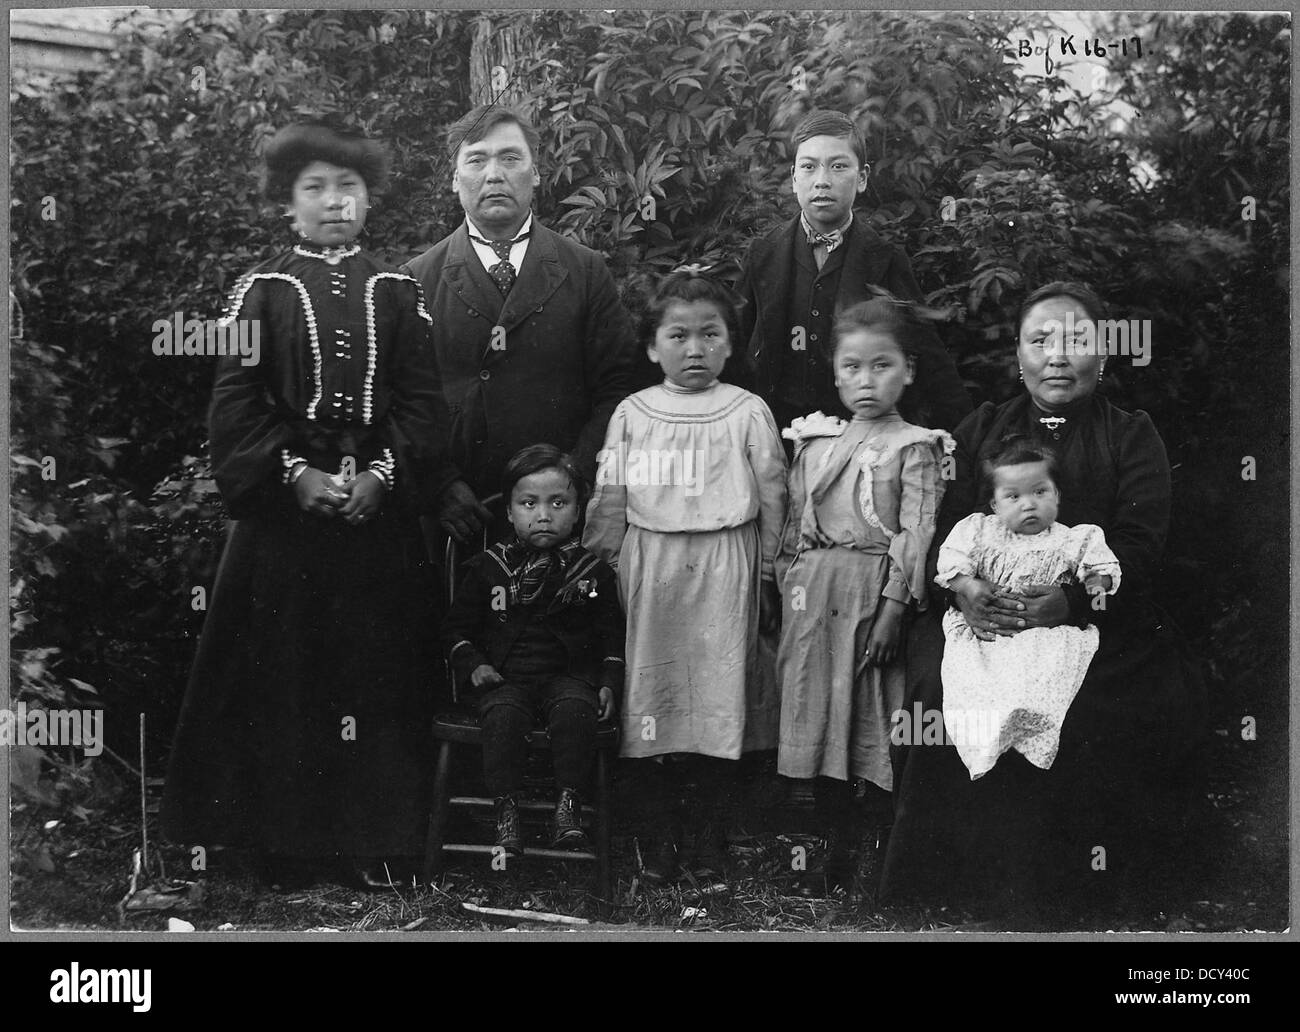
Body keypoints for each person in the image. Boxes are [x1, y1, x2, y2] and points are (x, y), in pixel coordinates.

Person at [161, 121, 459, 890]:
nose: (334, 202)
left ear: (369, 199)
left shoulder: (398, 293)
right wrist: (293, 475)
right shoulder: (261, 292)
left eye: (348, 187)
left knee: (373, 673)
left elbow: (425, 407)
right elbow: (236, 407)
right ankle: (269, 847)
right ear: (288, 203)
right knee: (279, 674)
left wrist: (382, 477)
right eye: (316, 189)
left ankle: (370, 843)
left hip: (376, 522)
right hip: (283, 529)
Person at [881, 282, 1206, 927]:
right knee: (936, 685)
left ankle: (1079, 891)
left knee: (1120, 697)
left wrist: (1074, 602)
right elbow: (949, 527)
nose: (1059, 356)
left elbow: (1142, 547)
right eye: (1041, 341)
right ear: (1019, 358)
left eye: (1077, 340)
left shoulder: (1130, 435)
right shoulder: (983, 429)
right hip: (991, 618)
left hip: (1097, 618)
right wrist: (965, 591)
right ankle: (959, 883)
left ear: (1105, 356)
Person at [583, 268, 787, 887]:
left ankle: (708, 837)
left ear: (730, 343)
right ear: (651, 346)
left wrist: (775, 572)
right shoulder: (633, 413)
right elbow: (611, 494)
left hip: (728, 564)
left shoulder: (747, 411)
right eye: (677, 336)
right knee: (657, 693)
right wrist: (605, 567)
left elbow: (776, 493)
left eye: (709, 335)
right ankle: (657, 836)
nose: (694, 349)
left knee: (720, 693)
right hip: (655, 566)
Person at [775, 298, 953, 899]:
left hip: (872, 594)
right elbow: (795, 526)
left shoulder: (915, 446)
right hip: (815, 594)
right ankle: (825, 846)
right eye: (851, 367)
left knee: (871, 712)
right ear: (834, 372)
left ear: (908, 369)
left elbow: (916, 532)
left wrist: (894, 609)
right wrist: (788, 587)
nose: (865, 380)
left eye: (881, 366)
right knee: (817, 710)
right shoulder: (817, 440)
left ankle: (874, 848)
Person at [403, 105, 636, 544]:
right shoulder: (416, 279)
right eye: (476, 160)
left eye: (510, 158)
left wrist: (574, 476)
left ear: (535, 175)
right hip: (462, 516)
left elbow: (617, 388)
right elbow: (403, 401)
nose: (494, 174)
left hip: (565, 514)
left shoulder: (584, 270)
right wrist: (440, 485)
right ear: (455, 179)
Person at [736, 109, 971, 438]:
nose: (822, 180)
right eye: (809, 167)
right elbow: (734, 350)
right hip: (775, 435)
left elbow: (928, 358)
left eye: (838, 166)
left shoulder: (885, 259)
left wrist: (962, 442)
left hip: (859, 437)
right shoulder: (763, 255)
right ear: (793, 179)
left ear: (861, 178)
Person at [441, 445, 624, 854]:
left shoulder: (591, 573)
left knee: (578, 712)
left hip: (567, 679)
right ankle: (506, 810)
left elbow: (612, 636)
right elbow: (455, 629)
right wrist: (473, 664)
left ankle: (569, 804)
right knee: (503, 715)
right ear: (509, 512)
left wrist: (609, 681)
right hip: (506, 680)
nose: (543, 514)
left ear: (578, 511)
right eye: (529, 503)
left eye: (558, 503)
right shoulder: (490, 568)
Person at [935, 435, 1121, 780]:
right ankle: (991, 744)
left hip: (1046, 635)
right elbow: (951, 566)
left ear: (1058, 495)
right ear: (994, 505)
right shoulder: (978, 531)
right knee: (971, 678)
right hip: (988, 633)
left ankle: (1029, 740)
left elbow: (1103, 573)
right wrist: (969, 586)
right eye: (1013, 496)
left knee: (1043, 676)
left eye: (1040, 492)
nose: (1029, 505)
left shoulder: (1073, 539)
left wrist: (1091, 586)